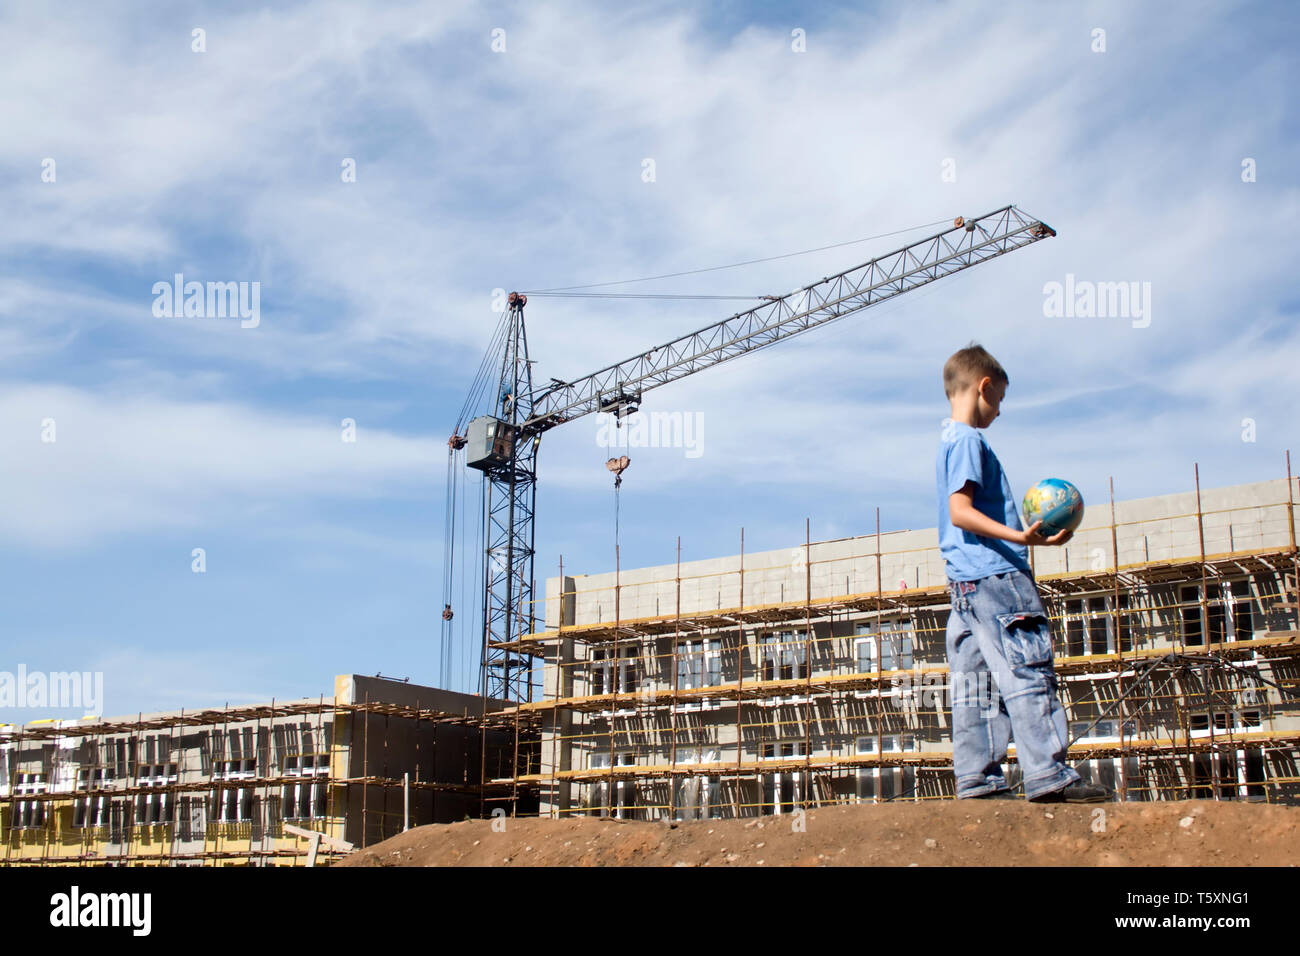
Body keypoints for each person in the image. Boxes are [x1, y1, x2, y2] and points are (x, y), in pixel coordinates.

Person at [936, 343, 1110, 803]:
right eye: (999, 401)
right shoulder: (971, 441)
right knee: (1028, 672)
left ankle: (977, 779)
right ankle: (1048, 774)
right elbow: (960, 511)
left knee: (975, 686)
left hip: (964, 587)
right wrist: (1022, 539)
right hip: (997, 579)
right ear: (984, 387)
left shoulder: (947, 441)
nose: (999, 412)